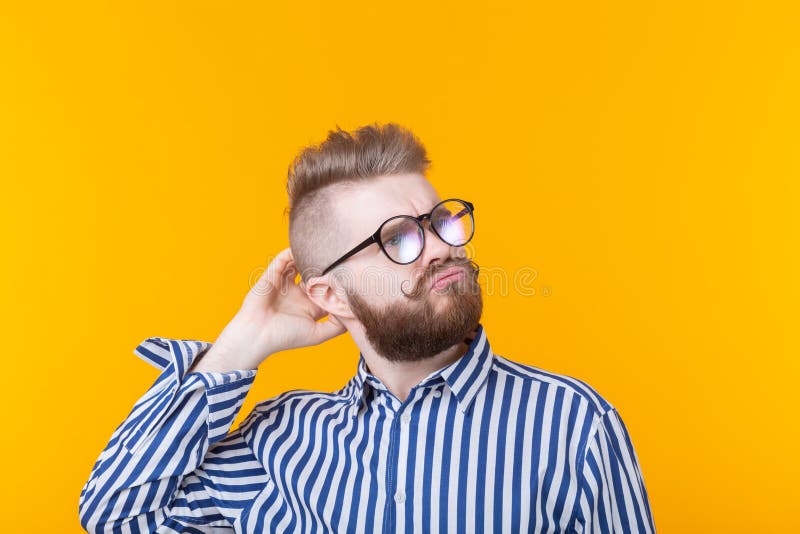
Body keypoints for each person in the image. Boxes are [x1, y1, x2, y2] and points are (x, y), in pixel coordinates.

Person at [78, 123, 656, 533]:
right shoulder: (278, 441)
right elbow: (116, 510)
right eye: (399, 238)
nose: (439, 248)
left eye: (440, 222)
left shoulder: (575, 425)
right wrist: (237, 348)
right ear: (330, 295)